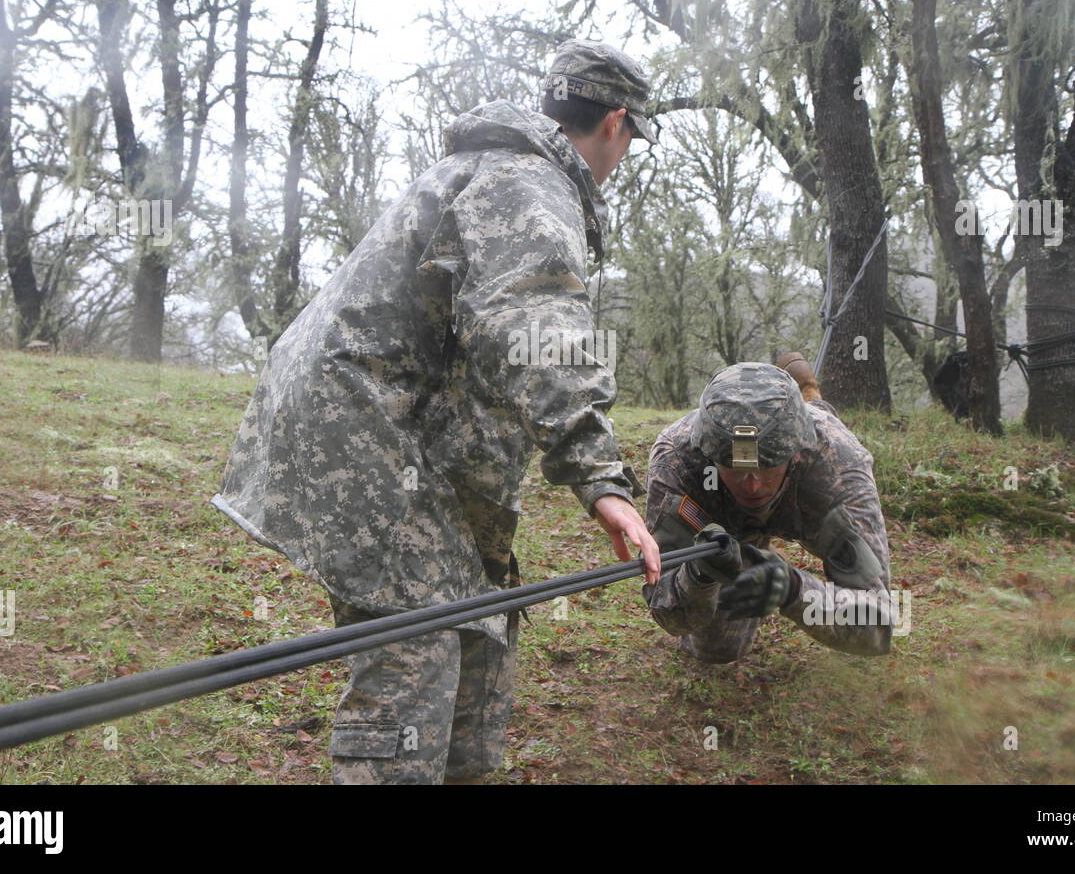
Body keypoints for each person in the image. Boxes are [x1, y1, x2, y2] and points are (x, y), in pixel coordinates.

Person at [211, 39, 662, 783]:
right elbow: (532, 320)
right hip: (363, 432)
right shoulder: (527, 181)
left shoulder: (490, 169)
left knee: (479, 627)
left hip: (405, 437)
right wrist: (600, 476)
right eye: (631, 138)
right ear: (615, 122)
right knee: (414, 652)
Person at [641, 356, 894, 660]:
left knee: (819, 420)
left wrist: (793, 590)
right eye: (734, 467)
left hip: (807, 503)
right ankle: (754, 547)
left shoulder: (838, 464)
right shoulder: (678, 461)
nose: (752, 485)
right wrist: (699, 576)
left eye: (768, 465)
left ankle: (810, 399)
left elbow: (877, 628)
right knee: (718, 651)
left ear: (796, 452)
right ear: (709, 455)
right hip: (724, 523)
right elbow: (668, 613)